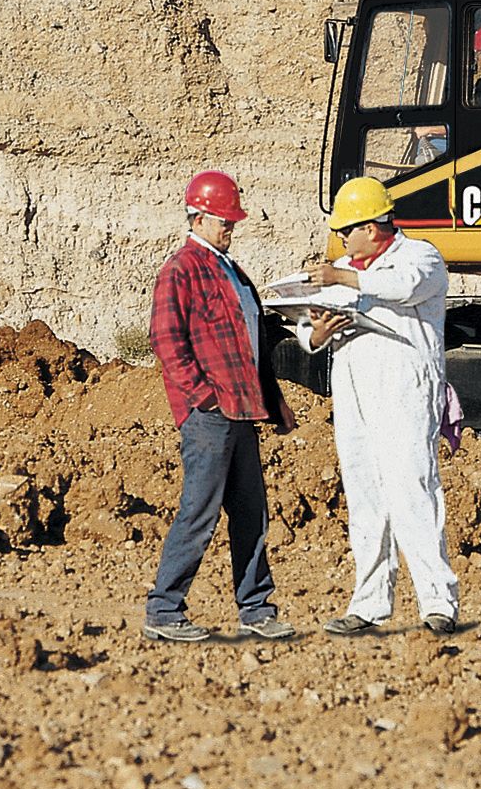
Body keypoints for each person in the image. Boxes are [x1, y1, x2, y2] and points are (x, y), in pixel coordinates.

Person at [143, 169, 299, 643]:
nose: (230, 228)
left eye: (232, 221)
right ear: (198, 218)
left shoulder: (232, 271)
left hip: (243, 410)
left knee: (251, 513)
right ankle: (164, 610)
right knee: (199, 512)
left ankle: (256, 608)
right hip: (210, 415)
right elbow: (166, 340)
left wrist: (273, 400)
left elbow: (251, 342)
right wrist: (203, 397)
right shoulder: (181, 270)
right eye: (223, 221)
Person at [301, 177, 460, 636]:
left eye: (346, 230)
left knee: (412, 491)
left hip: (404, 391)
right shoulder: (342, 268)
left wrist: (343, 279)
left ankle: (438, 601)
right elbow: (308, 330)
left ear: (372, 227)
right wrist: (317, 333)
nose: (340, 238)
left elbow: (403, 287)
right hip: (354, 392)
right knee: (365, 497)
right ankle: (369, 603)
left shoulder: (420, 257)